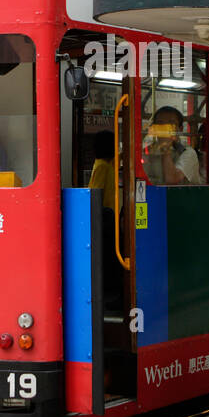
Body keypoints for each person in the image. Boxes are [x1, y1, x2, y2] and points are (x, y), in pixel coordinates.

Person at [88, 131, 124, 310]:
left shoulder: (102, 165)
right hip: (109, 217)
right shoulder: (107, 166)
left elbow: (93, 193)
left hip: (105, 218)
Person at [143, 106, 202, 185]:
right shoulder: (148, 151)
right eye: (160, 123)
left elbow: (171, 179)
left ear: (180, 129)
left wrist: (165, 147)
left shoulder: (188, 153)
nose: (165, 129)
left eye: (171, 124)